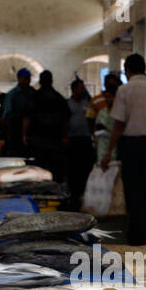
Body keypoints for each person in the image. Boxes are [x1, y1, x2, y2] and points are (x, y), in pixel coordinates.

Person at [101, 53, 146, 243]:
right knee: (144, 191)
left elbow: (119, 124)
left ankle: (136, 237)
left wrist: (108, 150)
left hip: (129, 145)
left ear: (128, 70)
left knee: (132, 192)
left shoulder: (124, 91)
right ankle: (145, 234)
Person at [23, 69, 69, 182]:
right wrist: (65, 136)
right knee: (56, 171)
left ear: (40, 82)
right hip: (55, 139)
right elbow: (66, 120)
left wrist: (24, 135)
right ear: (52, 81)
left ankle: (39, 194)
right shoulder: (59, 99)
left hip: (38, 139)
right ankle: (57, 194)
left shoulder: (34, 98)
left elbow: (27, 118)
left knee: (38, 170)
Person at [66, 76, 96, 208]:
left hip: (86, 140)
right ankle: (74, 196)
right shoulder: (67, 104)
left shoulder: (88, 103)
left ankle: (84, 195)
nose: (83, 90)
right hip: (72, 140)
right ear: (74, 90)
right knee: (73, 170)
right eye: (81, 88)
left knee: (85, 169)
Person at [1, 68, 34, 155]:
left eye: (29, 78)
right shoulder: (12, 95)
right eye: (26, 78)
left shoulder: (32, 92)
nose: (28, 80)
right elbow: (7, 115)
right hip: (15, 131)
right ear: (19, 78)